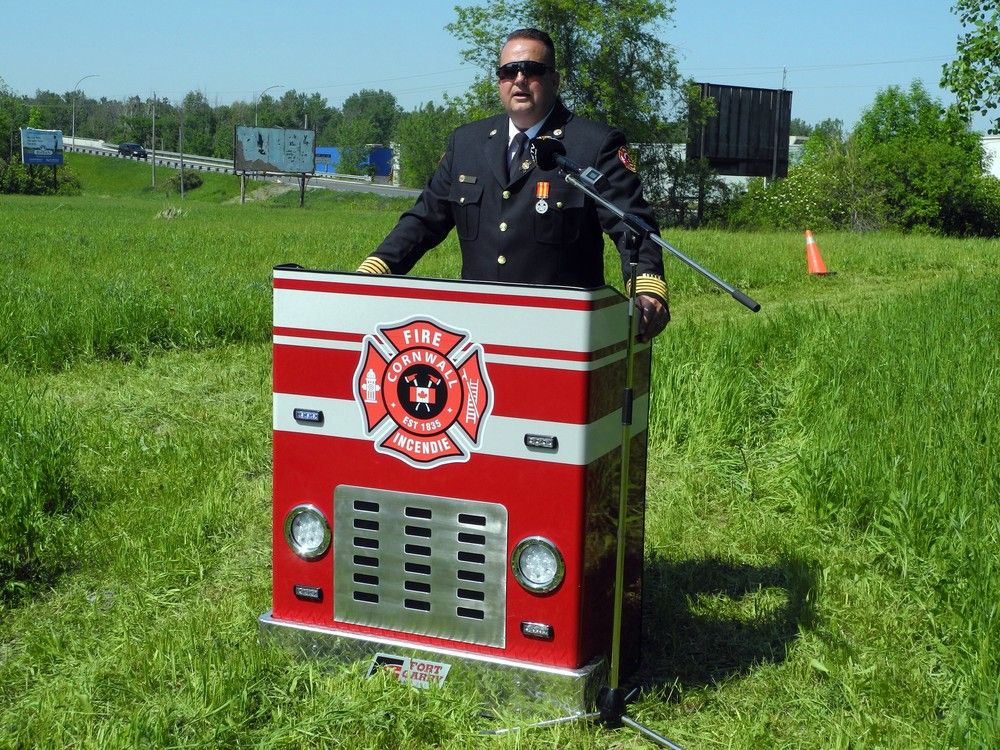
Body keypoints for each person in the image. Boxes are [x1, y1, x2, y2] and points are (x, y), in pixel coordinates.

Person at [357, 28, 670, 341]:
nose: (519, 79)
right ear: (499, 82)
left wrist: (647, 290)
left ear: (555, 80)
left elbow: (632, 224)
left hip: (562, 333)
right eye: (509, 71)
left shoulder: (593, 145)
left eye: (532, 70)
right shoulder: (467, 143)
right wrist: (372, 273)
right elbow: (424, 221)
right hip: (477, 330)